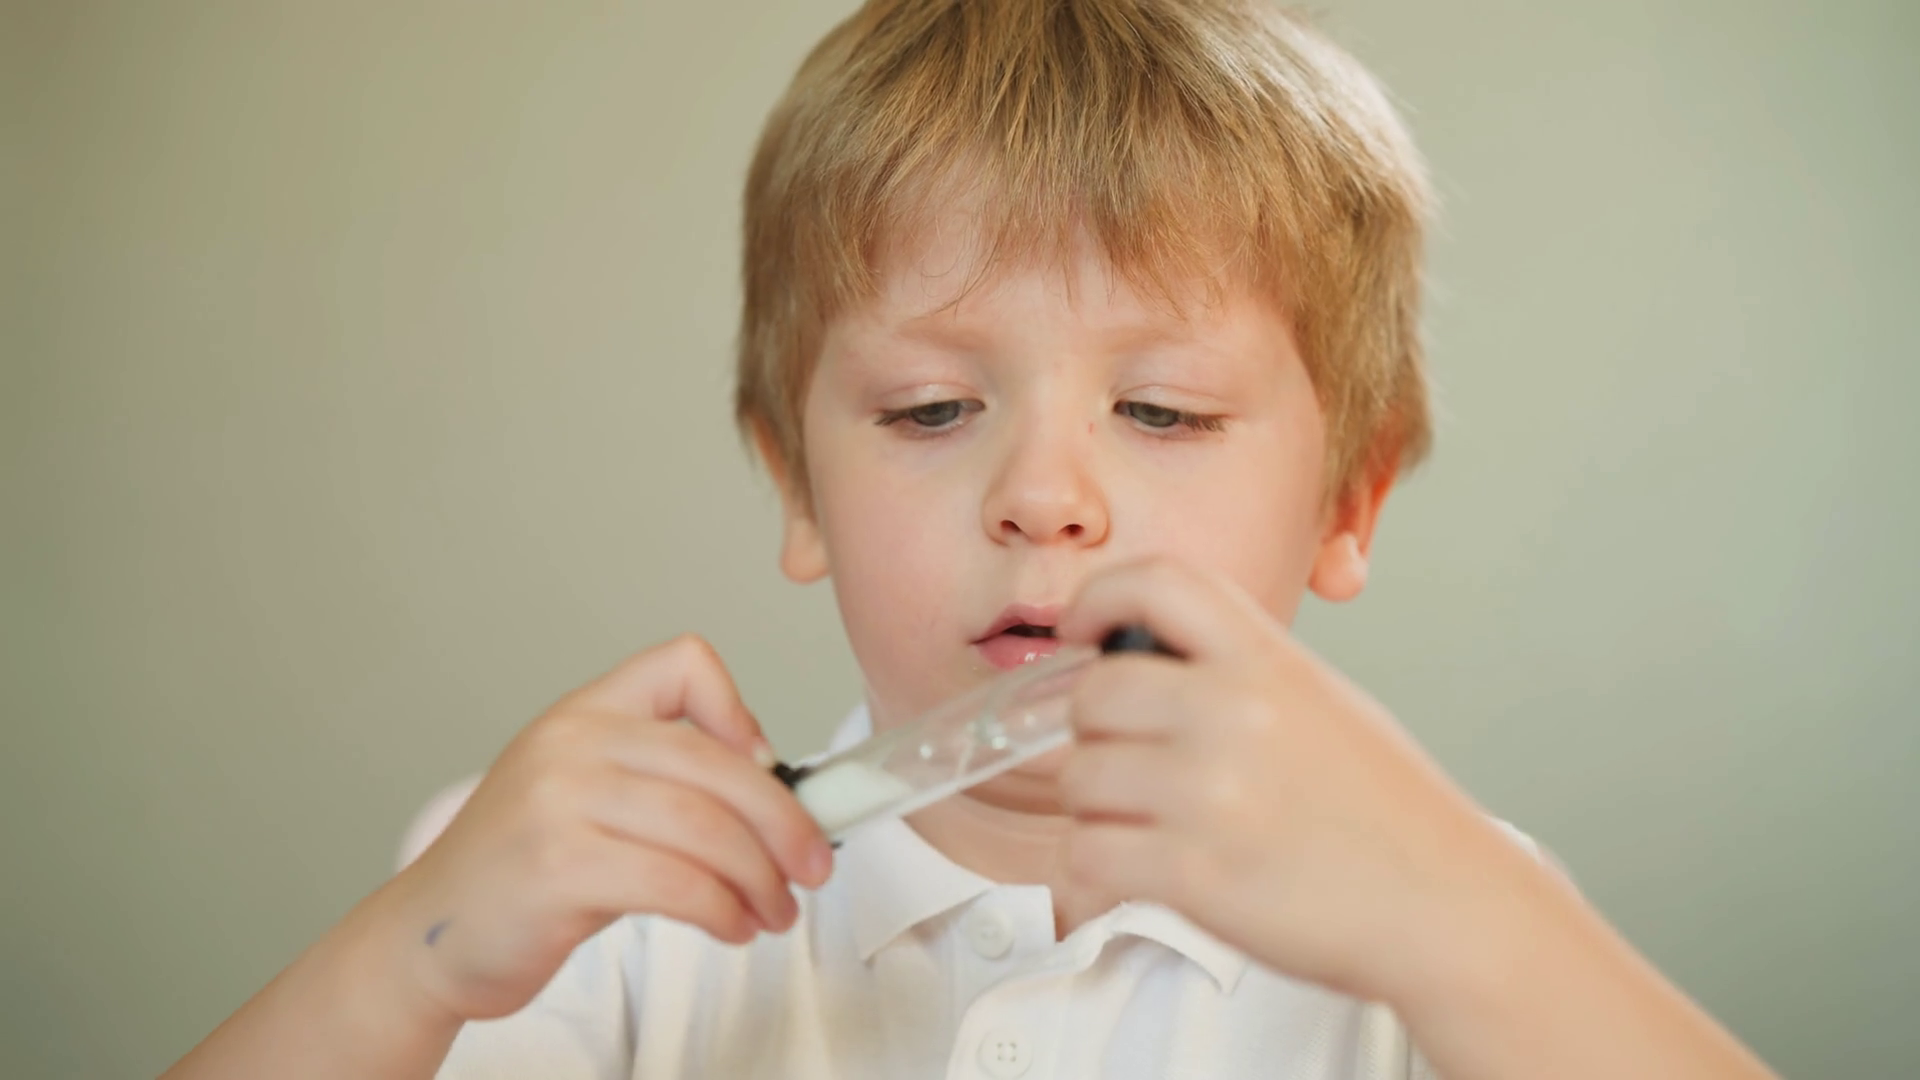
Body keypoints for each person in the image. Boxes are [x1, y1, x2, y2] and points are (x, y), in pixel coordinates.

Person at [164, 1, 1780, 1077]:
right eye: (935, 411)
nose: (1044, 498)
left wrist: (1468, 925)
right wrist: (417, 957)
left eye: (1161, 413)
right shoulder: (604, 906)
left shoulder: (1449, 927)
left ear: (1349, 501)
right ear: (798, 486)